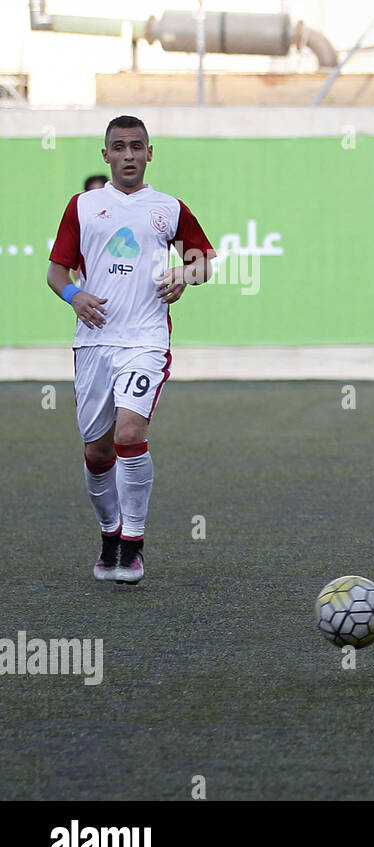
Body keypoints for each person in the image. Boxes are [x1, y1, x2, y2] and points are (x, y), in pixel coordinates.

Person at [47, 116, 214, 585]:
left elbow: (204, 261)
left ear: (149, 153)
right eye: (118, 147)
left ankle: (133, 547)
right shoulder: (82, 206)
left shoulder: (168, 208)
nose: (127, 155)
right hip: (95, 342)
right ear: (105, 155)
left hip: (145, 340)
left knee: (129, 432)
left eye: (136, 147)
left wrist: (185, 273)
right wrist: (73, 296)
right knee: (99, 453)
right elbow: (56, 272)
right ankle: (109, 534)